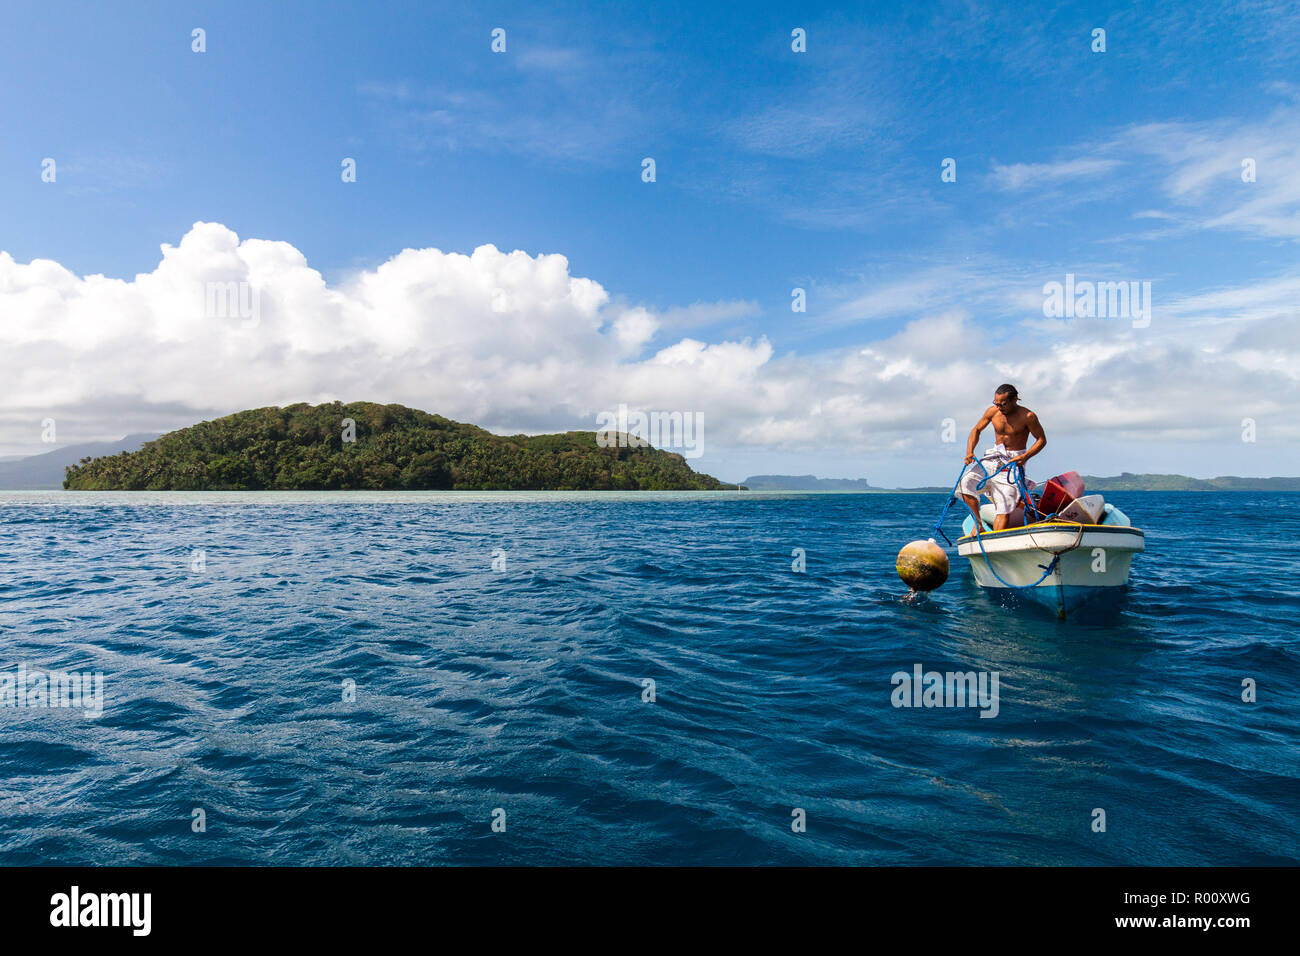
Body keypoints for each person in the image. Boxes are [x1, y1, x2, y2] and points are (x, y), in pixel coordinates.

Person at [958, 384, 1046, 533]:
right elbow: (976, 429)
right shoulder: (993, 412)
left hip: (1014, 459)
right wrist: (969, 452)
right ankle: (978, 525)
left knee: (1003, 504)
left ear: (1014, 400)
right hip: (994, 456)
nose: (999, 407)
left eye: (1003, 404)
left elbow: (1041, 440)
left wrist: (1025, 457)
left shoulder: (1028, 416)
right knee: (965, 483)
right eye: (996, 403)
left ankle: (996, 540)